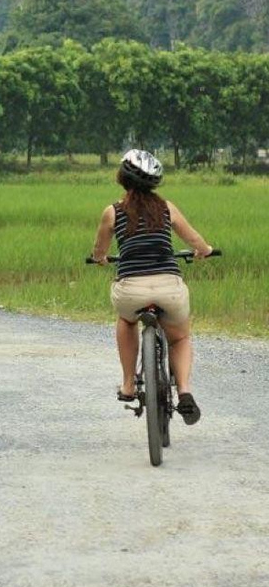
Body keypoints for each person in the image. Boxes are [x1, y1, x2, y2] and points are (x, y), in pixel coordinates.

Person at [91, 149, 213, 425]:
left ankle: (128, 385)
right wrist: (204, 250)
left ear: (122, 178)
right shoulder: (167, 208)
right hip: (168, 287)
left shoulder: (113, 212)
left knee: (126, 320)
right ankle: (184, 391)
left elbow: (99, 250)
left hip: (131, 289)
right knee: (180, 337)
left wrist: (99, 259)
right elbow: (195, 241)